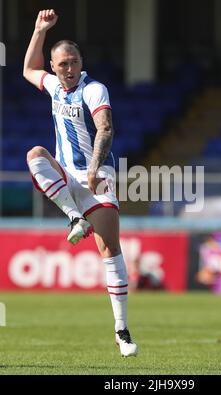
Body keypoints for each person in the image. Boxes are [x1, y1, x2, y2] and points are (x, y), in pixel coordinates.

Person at [23, 9, 138, 357]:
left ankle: (121, 329)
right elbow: (28, 69)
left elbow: (105, 128)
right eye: (62, 65)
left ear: (80, 62)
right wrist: (39, 31)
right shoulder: (54, 87)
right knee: (35, 154)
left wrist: (93, 167)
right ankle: (75, 217)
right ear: (55, 67)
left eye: (73, 62)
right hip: (66, 174)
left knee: (109, 251)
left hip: (97, 176)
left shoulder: (94, 89)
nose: (68, 69)